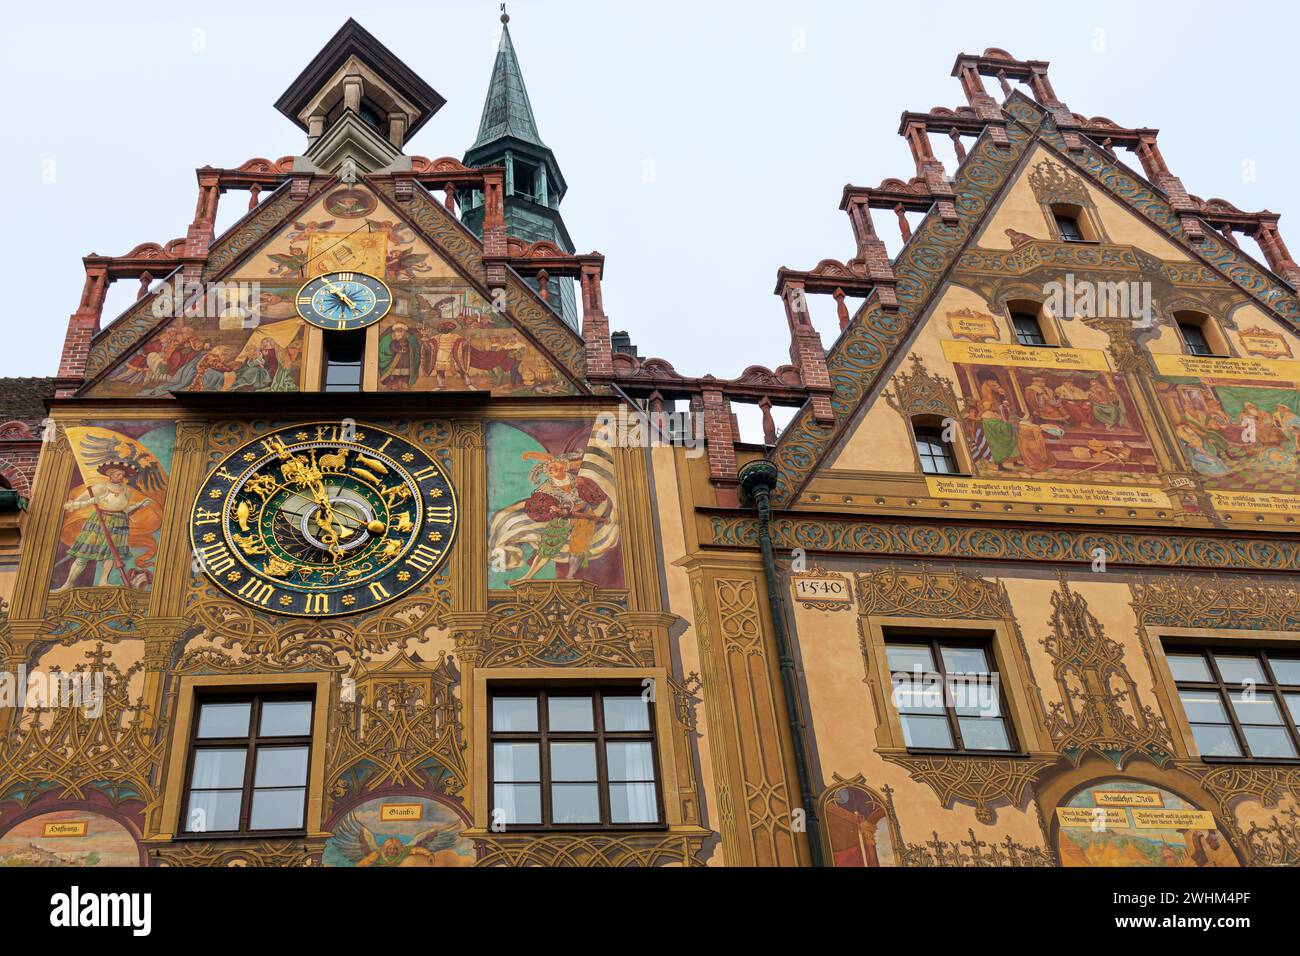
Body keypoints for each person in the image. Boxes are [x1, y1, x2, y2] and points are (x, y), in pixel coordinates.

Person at [56, 461, 148, 589]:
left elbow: (125, 509)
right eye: (117, 474)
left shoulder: (126, 491)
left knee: (111, 554)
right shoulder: (101, 487)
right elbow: (79, 501)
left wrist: (139, 505)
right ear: (110, 474)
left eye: (122, 474)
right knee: (84, 554)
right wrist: (90, 501)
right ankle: (67, 584)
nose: (120, 476)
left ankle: (103, 581)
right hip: (100, 521)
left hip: (118, 523)